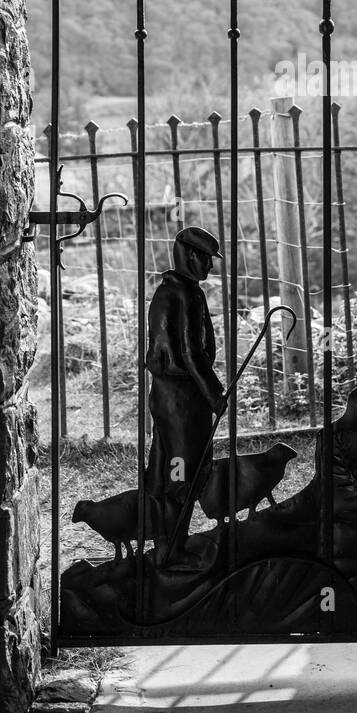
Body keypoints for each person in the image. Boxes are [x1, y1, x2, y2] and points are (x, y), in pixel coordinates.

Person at [145, 226, 226, 558]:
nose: (209, 268)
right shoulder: (186, 295)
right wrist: (214, 394)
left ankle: (167, 544)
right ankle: (172, 550)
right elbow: (192, 352)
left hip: (166, 396)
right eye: (207, 260)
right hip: (183, 399)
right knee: (182, 471)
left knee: (167, 467)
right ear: (192, 256)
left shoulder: (168, 291)